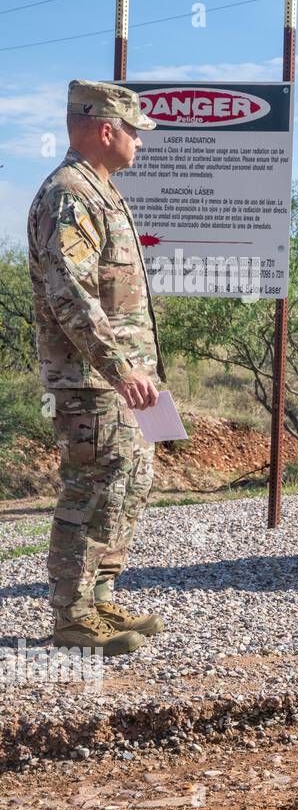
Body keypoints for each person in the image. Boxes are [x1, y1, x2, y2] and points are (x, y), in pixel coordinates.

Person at [28, 80, 167, 656]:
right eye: (134, 130)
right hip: (95, 380)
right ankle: (71, 613)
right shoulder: (70, 193)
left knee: (134, 480)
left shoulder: (100, 189)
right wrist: (118, 366)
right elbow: (70, 295)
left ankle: (101, 595)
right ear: (106, 130)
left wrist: (141, 372)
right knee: (92, 486)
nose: (140, 141)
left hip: (132, 378)